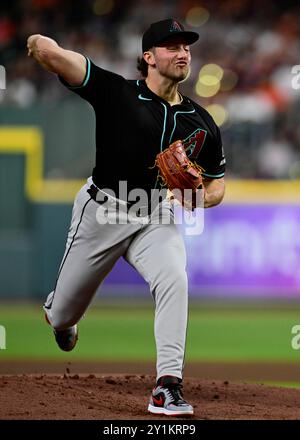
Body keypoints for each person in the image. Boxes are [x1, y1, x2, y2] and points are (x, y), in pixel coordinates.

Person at [27, 18, 226, 417]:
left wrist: (196, 197)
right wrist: (39, 44)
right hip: (102, 211)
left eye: (186, 46)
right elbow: (44, 49)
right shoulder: (115, 92)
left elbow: (218, 188)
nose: (183, 52)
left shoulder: (202, 122)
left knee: (174, 278)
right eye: (172, 46)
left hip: (156, 214)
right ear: (149, 58)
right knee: (63, 315)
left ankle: (167, 387)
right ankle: (60, 314)